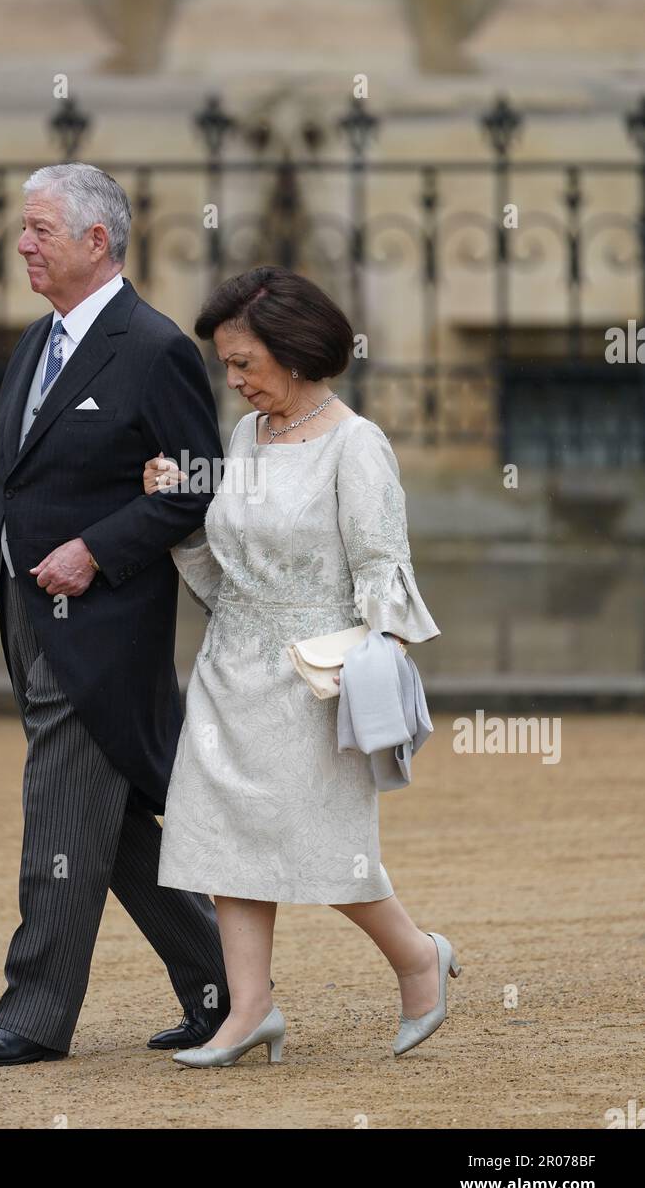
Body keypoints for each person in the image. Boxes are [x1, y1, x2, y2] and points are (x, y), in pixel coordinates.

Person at [0, 162, 231, 1066]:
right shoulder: (35, 342)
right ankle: (226, 990)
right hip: (27, 624)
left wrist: (97, 549)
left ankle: (32, 1017)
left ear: (98, 240)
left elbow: (199, 485)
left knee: (58, 816)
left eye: (40, 229)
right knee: (111, 824)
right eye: (23, 228)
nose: (22, 244)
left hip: (104, 636)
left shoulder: (155, 346)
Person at [144, 265, 460, 1068]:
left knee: (328, 848)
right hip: (227, 671)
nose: (235, 379)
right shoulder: (247, 436)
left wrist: (380, 664)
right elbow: (230, 572)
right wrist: (178, 514)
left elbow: (383, 566)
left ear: (296, 351)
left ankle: (419, 958)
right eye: (227, 364)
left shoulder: (357, 445)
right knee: (223, 841)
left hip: (317, 677)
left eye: (246, 362)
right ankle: (250, 1010)